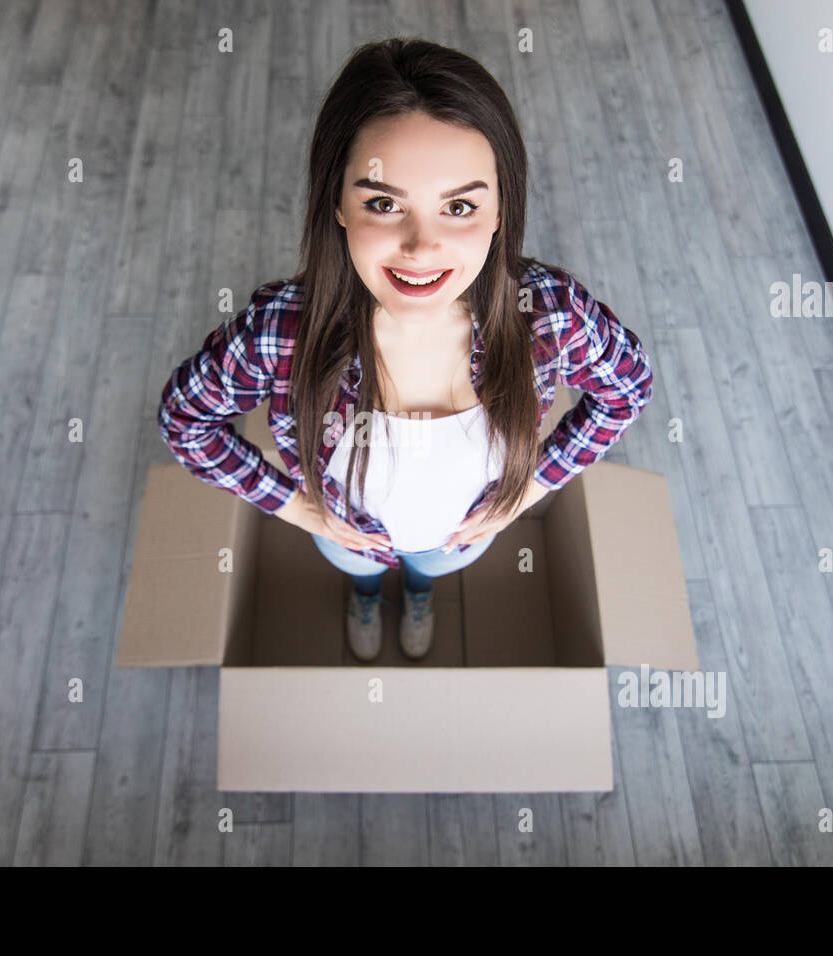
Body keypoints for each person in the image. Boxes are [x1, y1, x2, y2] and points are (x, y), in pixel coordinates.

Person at [158, 38, 654, 662]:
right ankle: (365, 594)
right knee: (361, 567)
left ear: (501, 209)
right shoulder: (281, 331)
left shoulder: (548, 317)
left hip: (463, 535)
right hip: (346, 532)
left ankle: (418, 590)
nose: (422, 248)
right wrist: (292, 507)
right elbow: (184, 418)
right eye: (384, 203)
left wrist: (529, 491)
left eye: (460, 206)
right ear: (337, 202)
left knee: (431, 568)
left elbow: (628, 388)